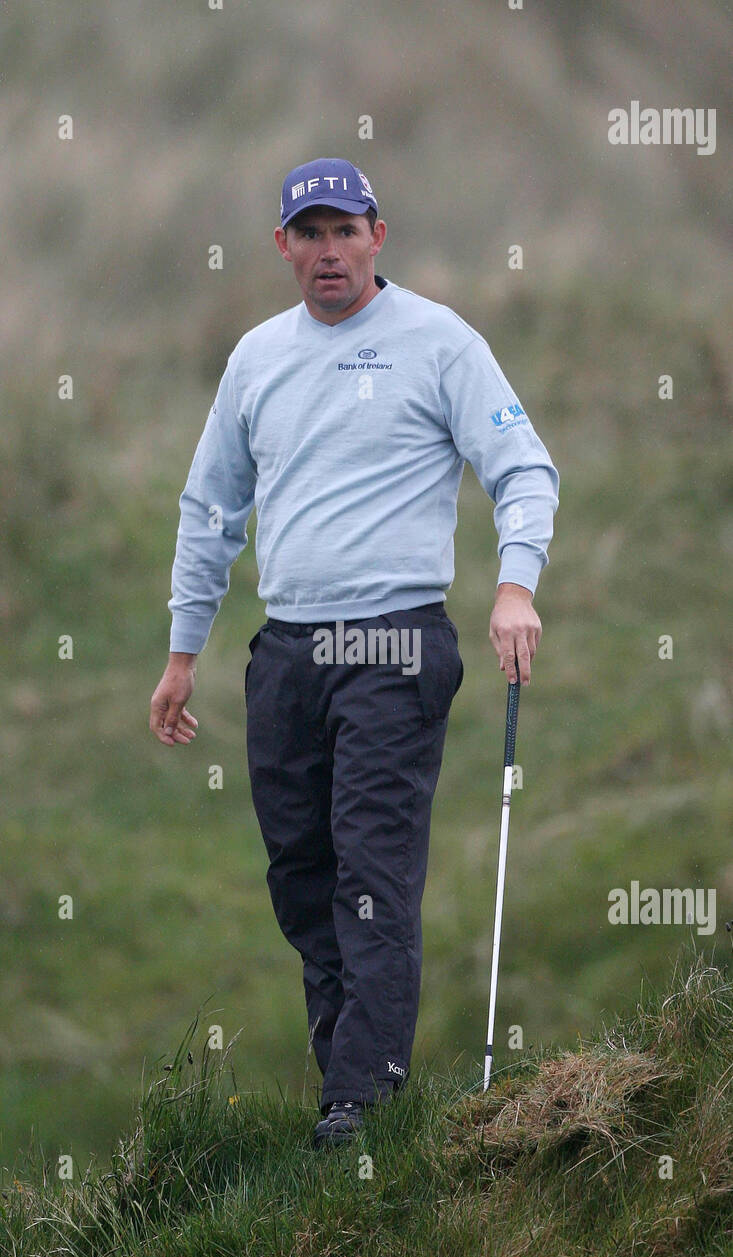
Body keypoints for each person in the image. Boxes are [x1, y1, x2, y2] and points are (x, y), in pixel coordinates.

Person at [149, 157, 559, 1148]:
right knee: (303, 873)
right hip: (287, 650)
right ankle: (350, 1078)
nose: (328, 252)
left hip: (395, 643)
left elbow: (522, 466)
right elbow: (211, 510)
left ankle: (357, 1102)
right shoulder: (254, 359)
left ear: (380, 234)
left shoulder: (438, 342)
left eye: (346, 231)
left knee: (370, 865)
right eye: (310, 233)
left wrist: (515, 585)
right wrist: (180, 651)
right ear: (282, 246)